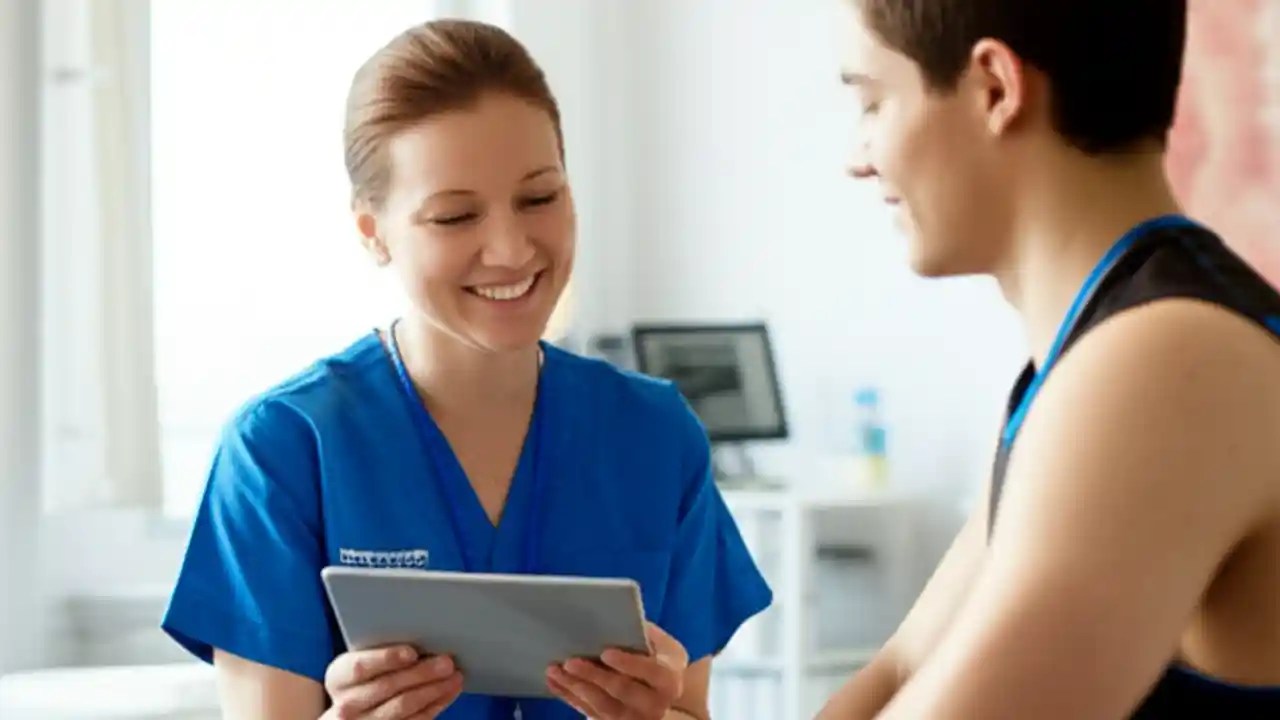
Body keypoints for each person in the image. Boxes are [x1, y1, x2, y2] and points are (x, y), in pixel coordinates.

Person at [161, 19, 771, 720]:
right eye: (454, 217)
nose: (511, 250)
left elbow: (690, 709)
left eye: (539, 198)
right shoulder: (282, 448)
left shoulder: (653, 435)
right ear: (373, 233)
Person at [819, 1, 1280, 718]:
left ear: (995, 89)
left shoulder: (1170, 363)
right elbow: (904, 669)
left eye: (875, 102)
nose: (858, 157)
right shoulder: (1091, 358)